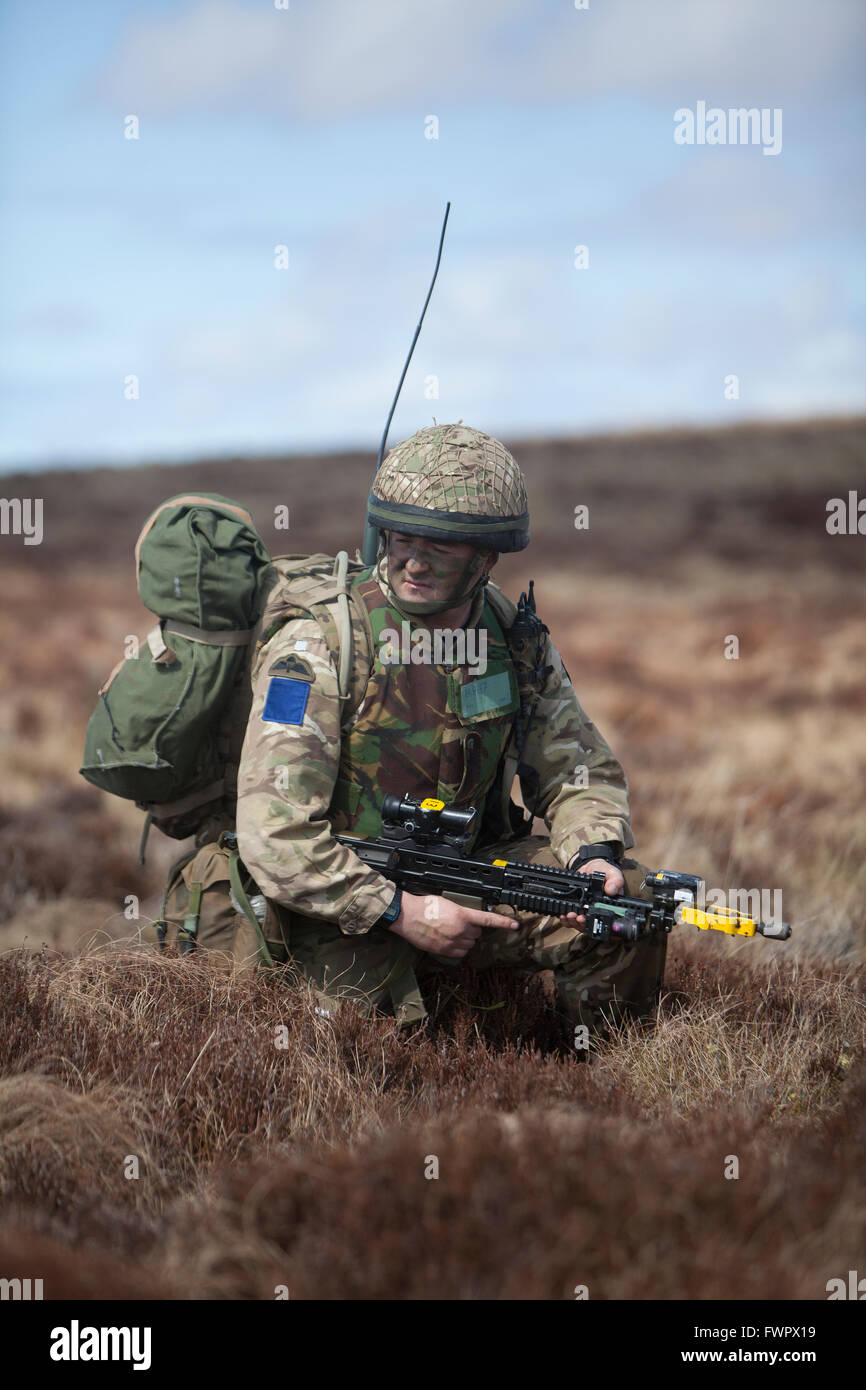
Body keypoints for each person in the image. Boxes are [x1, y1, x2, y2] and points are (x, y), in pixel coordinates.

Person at [235, 424, 665, 1038]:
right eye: (402, 538)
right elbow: (274, 833)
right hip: (338, 898)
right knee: (359, 1053)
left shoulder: (512, 640)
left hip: (468, 869)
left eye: (440, 546)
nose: (413, 560)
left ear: (486, 556)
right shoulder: (321, 645)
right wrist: (397, 910)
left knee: (623, 910)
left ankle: (597, 1083)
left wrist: (592, 854)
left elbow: (577, 770)